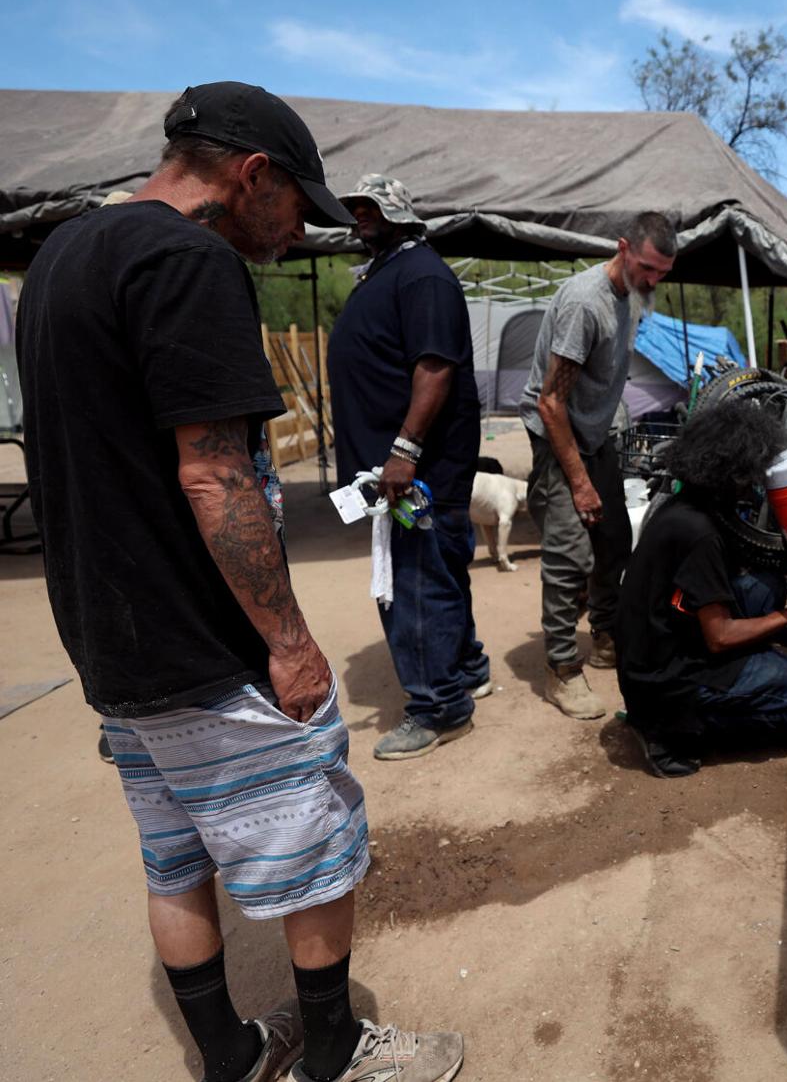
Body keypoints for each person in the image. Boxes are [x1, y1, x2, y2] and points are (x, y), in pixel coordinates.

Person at [17, 82, 462, 1082]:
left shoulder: (61, 257)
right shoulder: (189, 260)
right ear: (250, 174)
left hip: (109, 637)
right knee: (318, 833)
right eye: (293, 204)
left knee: (174, 854)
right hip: (208, 643)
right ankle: (338, 1051)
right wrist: (291, 640)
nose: (297, 227)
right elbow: (215, 471)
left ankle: (229, 1053)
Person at [327, 174, 489, 762]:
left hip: (416, 469)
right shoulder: (392, 270)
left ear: (401, 212)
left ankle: (439, 707)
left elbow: (436, 367)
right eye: (354, 209)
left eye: (371, 206)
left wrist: (404, 450)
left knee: (415, 585)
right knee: (440, 571)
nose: (360, 216)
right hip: (405, 467)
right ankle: (466, 669)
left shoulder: (422, 274)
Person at [614, 400, 787, 778]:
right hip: (669, 679)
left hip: (652, 653)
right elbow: (719, 636)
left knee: (767, 584)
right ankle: (677, 731)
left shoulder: (682, 507)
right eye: (751, 473)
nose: (755, 482)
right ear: (733, 473)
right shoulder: (700, 536)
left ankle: (714, 692)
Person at [518, 212, 676, 718]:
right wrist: (580, 482)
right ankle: (561, 669)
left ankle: (605, 635)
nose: (653, 280)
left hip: (596, 433)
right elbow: (550, 403)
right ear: (623, 246)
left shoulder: (629, 297)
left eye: (661, 273)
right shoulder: (586, 303)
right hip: (558, 435)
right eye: (648, 267)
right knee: (568, 557)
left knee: (613, 541)